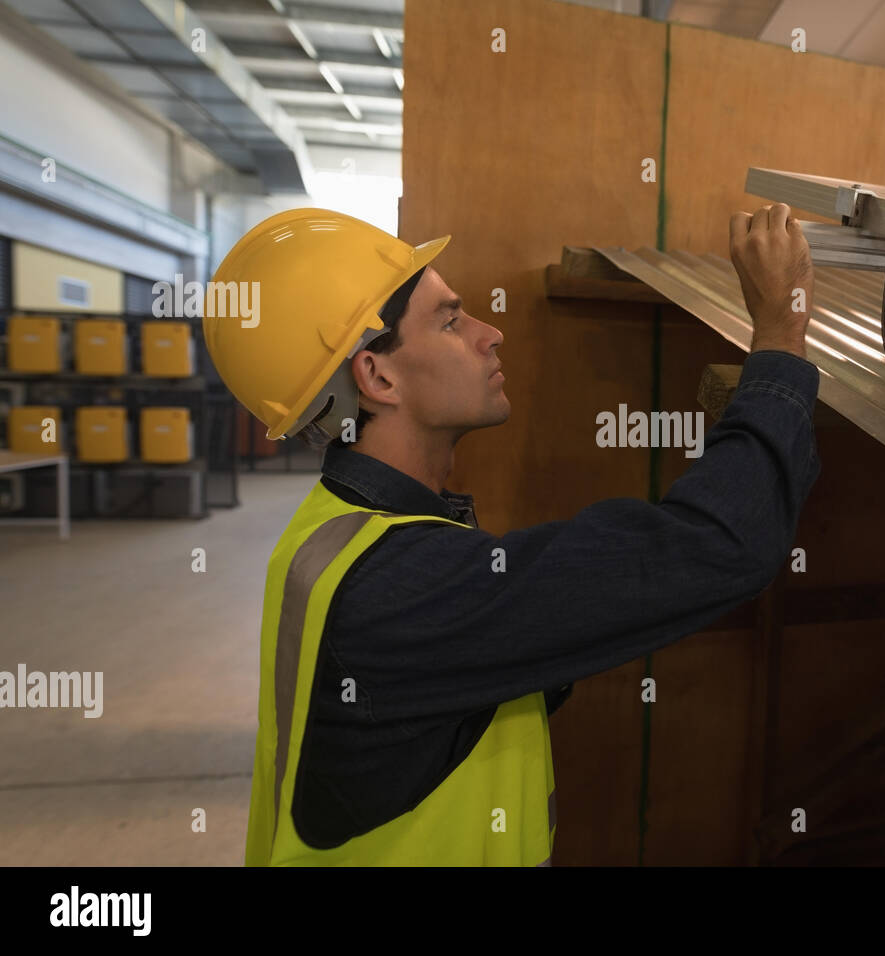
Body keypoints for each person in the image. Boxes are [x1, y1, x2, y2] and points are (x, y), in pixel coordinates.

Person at [203, 202, 820, 865]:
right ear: (377, 377)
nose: (490, 332)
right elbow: (719, 545)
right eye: (449, 319)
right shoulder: (398, 585)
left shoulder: (340, 529)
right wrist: (780, 334)